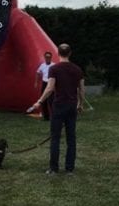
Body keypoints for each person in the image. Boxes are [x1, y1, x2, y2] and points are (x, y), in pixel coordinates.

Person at [32, 43, 85, 175]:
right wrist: (81, 103)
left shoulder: (54, 69)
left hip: (58, 106)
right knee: (71, 138)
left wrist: (39, 101)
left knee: (55, 138)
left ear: (58, 53)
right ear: (70, 53)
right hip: (71, 106)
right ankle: (69, 169)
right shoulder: (77, 69)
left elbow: (49, 88)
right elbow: (82, 90)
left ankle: (53, 169)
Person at [34, 51, 54, 121]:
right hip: (44, 83)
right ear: (45, 57)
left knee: (52, 100)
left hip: (51, 84)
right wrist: (36, 82)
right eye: (46, 57)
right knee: (43, 100)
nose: (48, 58)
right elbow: (37, 72)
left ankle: (53, 116)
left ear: (51, 57)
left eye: (49, 57)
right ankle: (46, 117)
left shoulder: (53, 65)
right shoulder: (42, 65)